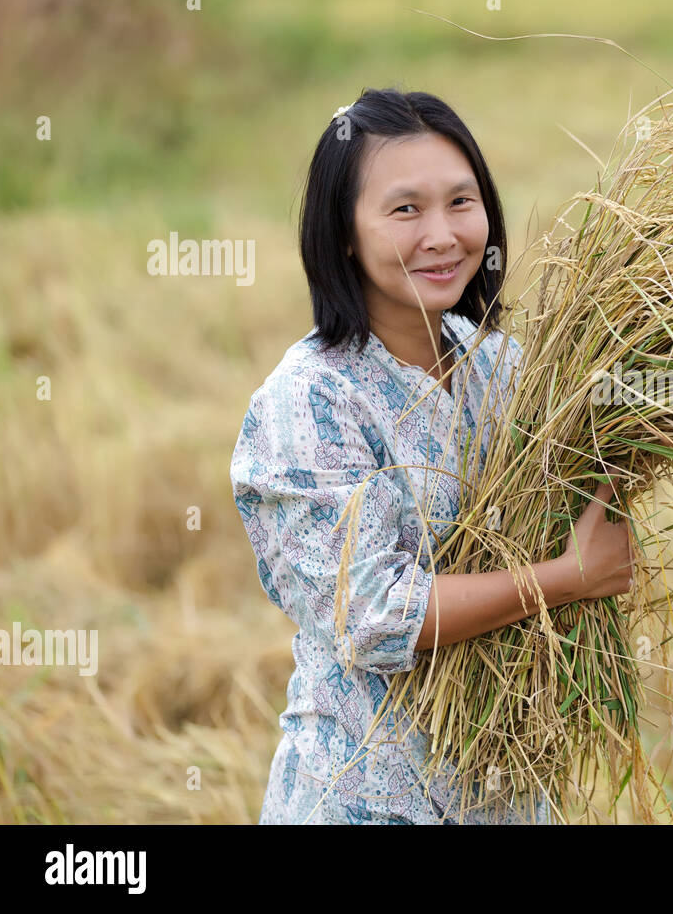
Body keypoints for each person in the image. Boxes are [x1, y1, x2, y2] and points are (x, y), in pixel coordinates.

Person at [229, 88, 633, 824]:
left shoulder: (505, 370)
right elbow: (376, 615)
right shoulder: (310, 402)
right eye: (405, 210)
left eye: (461, 202)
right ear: (344, 233)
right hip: (367, 795)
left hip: (504, 793)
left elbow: (576, 496)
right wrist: (565, 578)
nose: (443, 235)